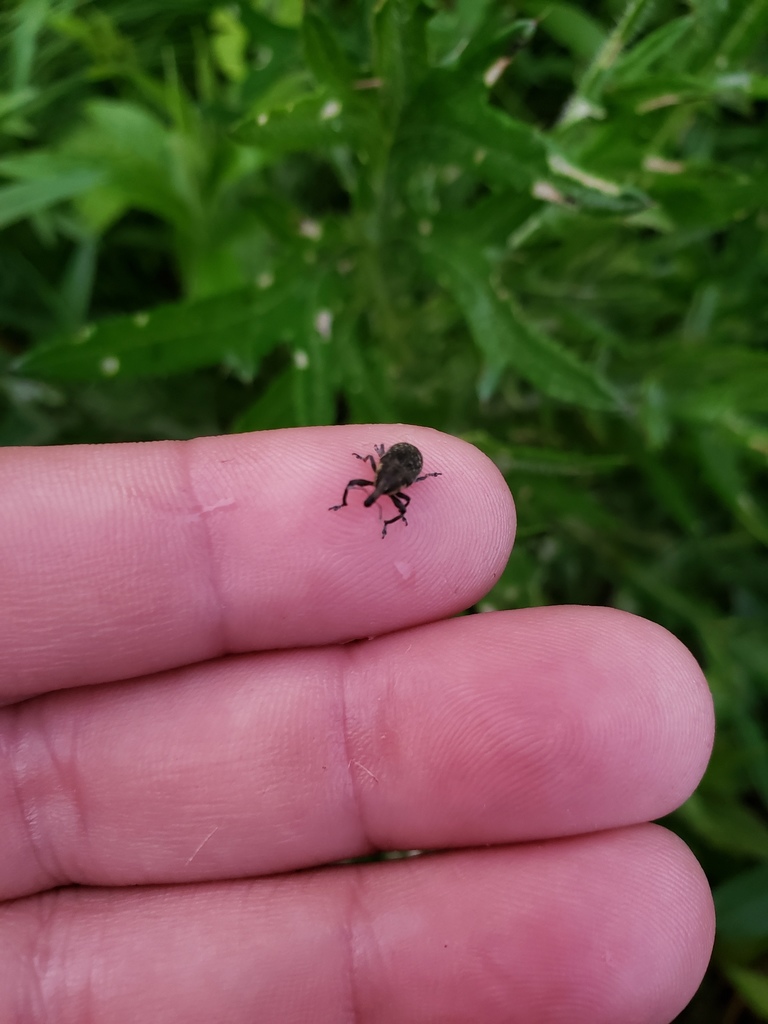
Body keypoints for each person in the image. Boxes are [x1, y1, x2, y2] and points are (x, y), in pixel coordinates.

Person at [0, 426, 715, 1023]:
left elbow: (396, 484)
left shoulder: (398, 483)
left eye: (383, 490)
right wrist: (371, 505)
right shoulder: (379, 484)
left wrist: (386, 512)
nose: (379, 490)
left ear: (393, 482)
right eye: (378, 489)